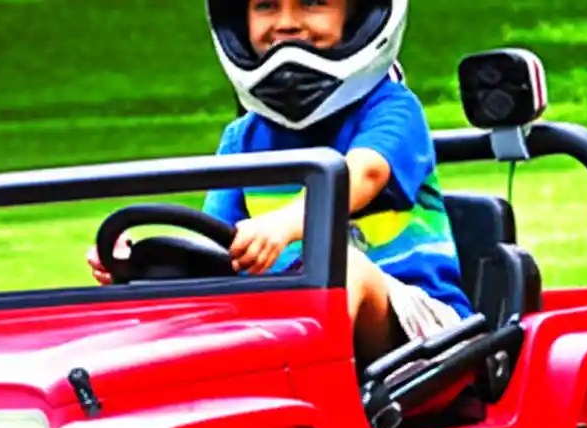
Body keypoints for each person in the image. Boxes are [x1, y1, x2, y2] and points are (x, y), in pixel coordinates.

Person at [88, 0, 472, 368]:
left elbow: (364, 173)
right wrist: (139, 263)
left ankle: (317, 421)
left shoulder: (391, 110)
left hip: (429, 333)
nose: (286, 22)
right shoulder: (242, 140)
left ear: (358, 17)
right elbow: (214, 249)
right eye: (266, 5)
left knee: (338, 269)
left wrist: (285, 224)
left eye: (312, 2)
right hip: (285, 324)